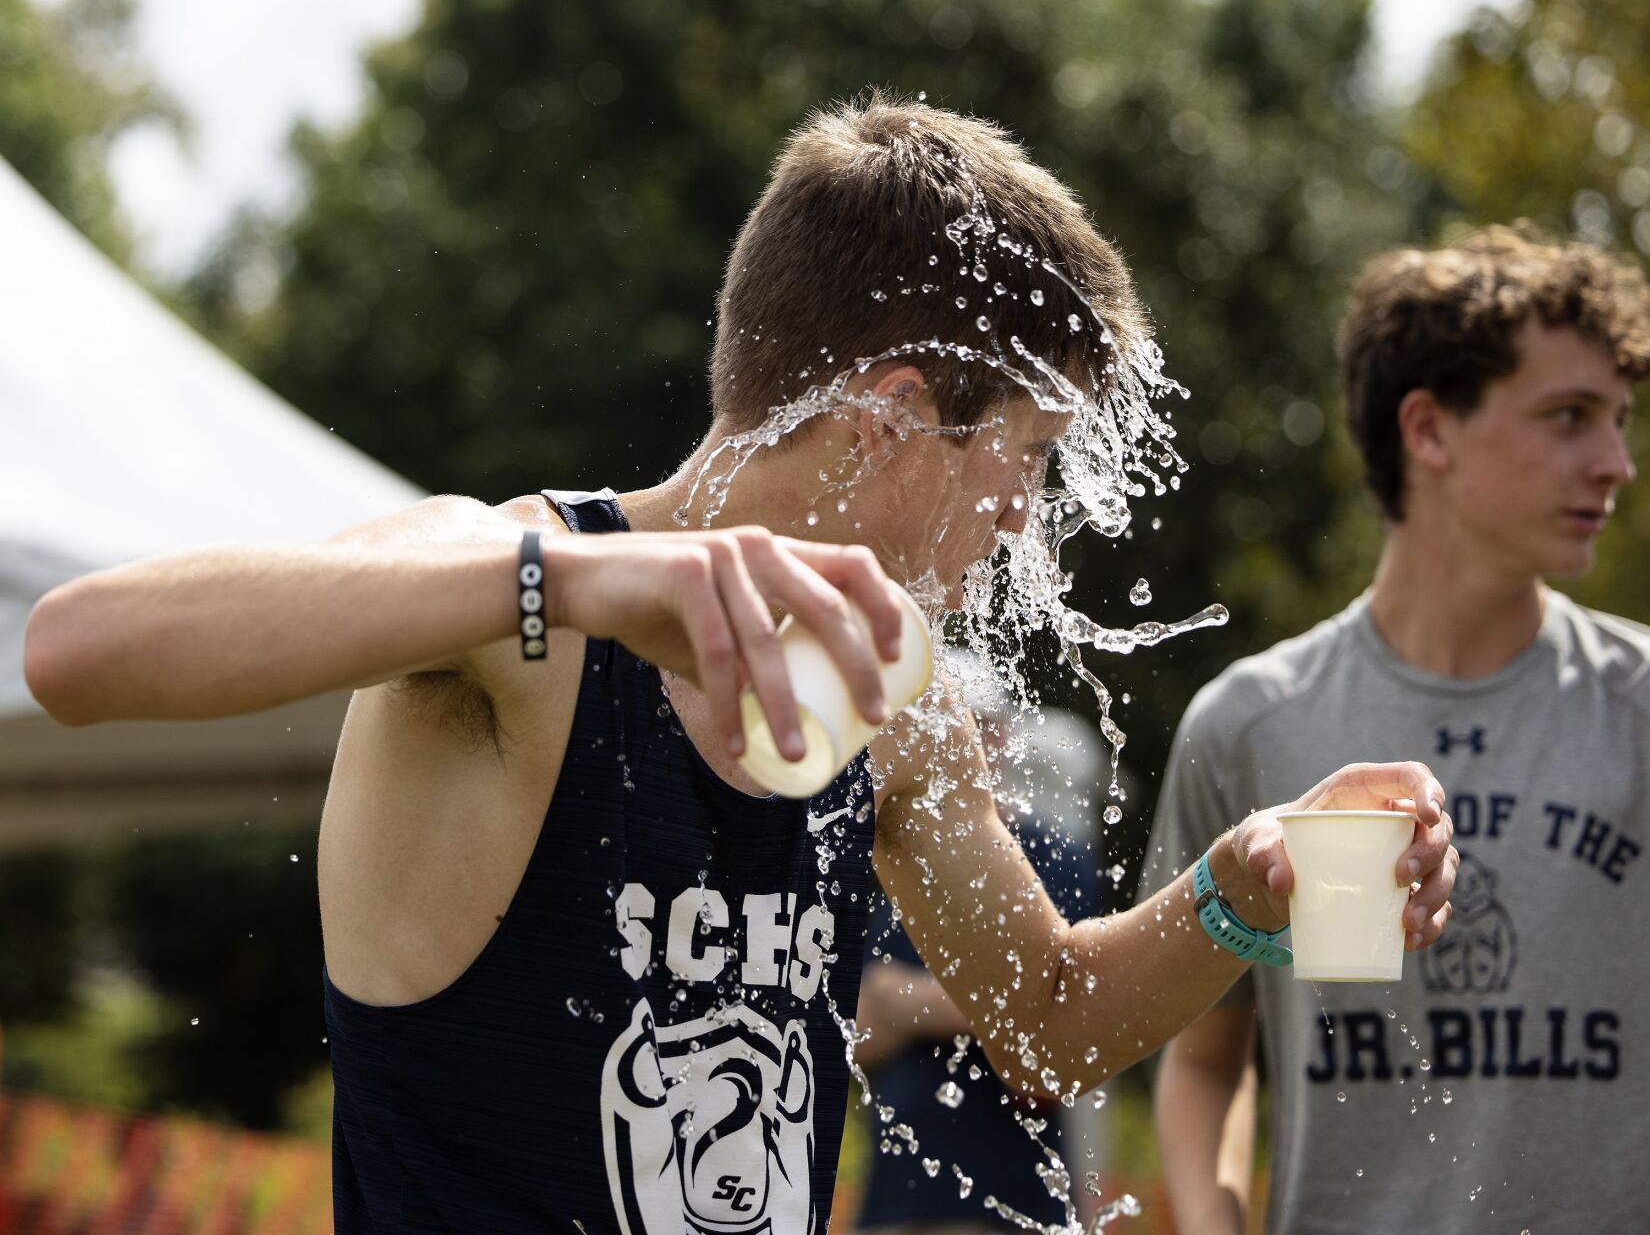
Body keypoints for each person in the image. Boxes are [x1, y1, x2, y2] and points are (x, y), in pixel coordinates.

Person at [24, 95, 1454, 1234]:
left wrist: (1240, 892)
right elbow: (78, 647)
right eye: (1021, 455)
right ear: (893, 416)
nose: (1025, 516)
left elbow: (1050, 1025)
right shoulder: (522, 598)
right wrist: (585, 582)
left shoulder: (887, 708)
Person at [1143, 226, 1650, 1234]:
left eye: (1620, 421)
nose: (1616, 464)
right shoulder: (1248, 724)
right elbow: (1201, 1059)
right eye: (1569, 416)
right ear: (1429, 430)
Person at [852, 656, 1113, 1234]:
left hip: (1016, 1196)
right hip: (897, 1196)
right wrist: (988, 1001)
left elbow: (1062, 1007)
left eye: (977, 725)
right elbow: (861, 1032)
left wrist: (906, 1002)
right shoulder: (899, 852)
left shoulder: (1053, 854)